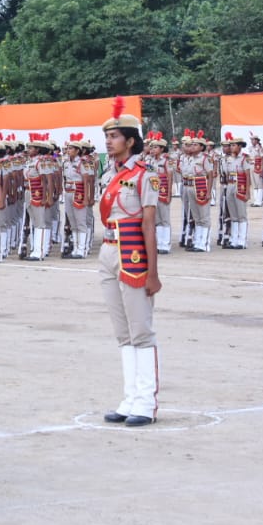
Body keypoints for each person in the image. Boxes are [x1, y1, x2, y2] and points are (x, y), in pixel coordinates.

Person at [97, 106, 162, 427]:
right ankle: (129, 398)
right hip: (108, 250)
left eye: (114, 137)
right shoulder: (109, 174)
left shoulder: (145, 175)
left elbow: (149, 224)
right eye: (107, 137)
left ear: (131, 141)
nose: (109, 142)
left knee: (141, 330)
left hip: (134, 251)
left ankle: (146, 402)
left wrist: (153, 272)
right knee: (122, 333)